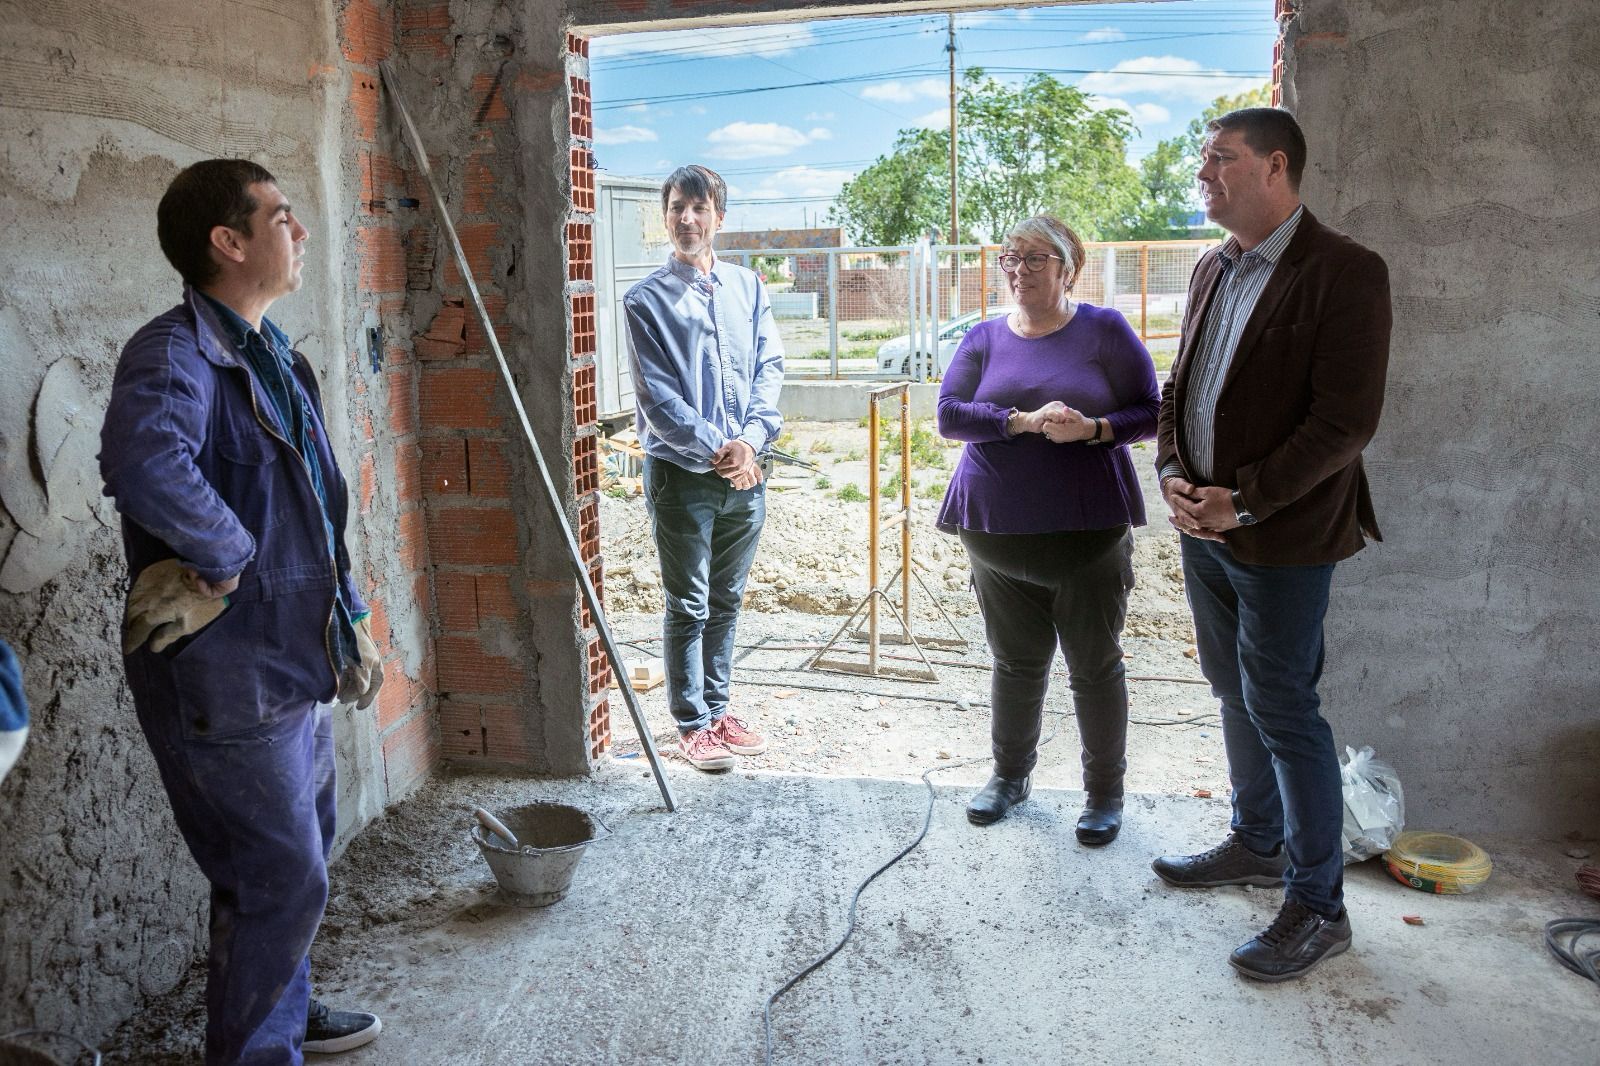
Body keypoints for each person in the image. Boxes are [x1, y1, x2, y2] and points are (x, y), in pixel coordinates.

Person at [99, 159, 385, 1063]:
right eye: (282, 217)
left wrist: (351, 620)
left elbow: (315, 511)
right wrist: (224, 556)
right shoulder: (173, 352)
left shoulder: (275, 356)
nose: (300, 233)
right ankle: (259, 1050)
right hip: (230, 678)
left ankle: (281, 1009)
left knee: (295, 863)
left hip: (293, 664)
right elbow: (143, 458)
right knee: (280, 877)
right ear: (230, 242)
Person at [1150, 108, 1392, 982]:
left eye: (1221, 160)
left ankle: (1319, 907)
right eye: (1203, 159)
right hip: (1201, 524)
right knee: (1231, 689)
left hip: (1282, 533)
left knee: (1284, 705)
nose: (1203, 174)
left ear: (1276, 166)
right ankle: (1257, 842)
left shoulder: (1346, 271)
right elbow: (1182, 386)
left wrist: (1243, 503)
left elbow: (1345, 423)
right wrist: (1174, 469)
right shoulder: (1213, 268)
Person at [936, 214, 1160, 844]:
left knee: (1094, 667)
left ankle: (1103, 795)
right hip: (996, 537)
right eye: (1010, 258)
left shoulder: (1104, 331)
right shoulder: (983, 337)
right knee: (1014, 663)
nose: (1019, 270)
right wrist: (1021, 421)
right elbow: (950, 415)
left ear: (1069, 267)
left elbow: (1150, 409)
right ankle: (1009, 778)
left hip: (1085, 538)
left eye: (1036, 259)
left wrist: (1094, 429)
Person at [623, 164, 784, 773]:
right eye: (677, 207)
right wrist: (728, 449)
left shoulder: (750, 288)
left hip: (746, 472)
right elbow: (658, 400)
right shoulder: (645, 301)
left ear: (719, 216)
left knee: (727, 599)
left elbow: (770, 369)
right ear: (665, 216)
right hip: (684, 476)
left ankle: (718, 711)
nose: (687, 219)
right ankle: (691, 723)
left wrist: (752, 441)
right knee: (687, 603)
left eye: (699, 207)